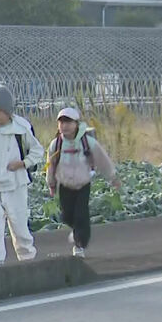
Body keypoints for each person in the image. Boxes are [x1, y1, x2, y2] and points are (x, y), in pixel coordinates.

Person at [0, 85, 44, 266]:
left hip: (16, 185)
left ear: (7, 110)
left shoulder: (21, 128)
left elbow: (37, 151)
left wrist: (22, 164)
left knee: (19, 226)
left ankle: (27, 259)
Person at [46, 107, 121, 257]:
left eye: (68, 122)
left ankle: (79, 245)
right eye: (61, 122)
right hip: (65, 186)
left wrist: (113, 178)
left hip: (83, 185)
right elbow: (51, 165)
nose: (64, 126)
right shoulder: (56, 144)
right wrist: (51, 184)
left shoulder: (88, 142)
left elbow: (103, 161)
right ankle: (77, 232)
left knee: (81, 215)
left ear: (76, 124)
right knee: (66, 216)